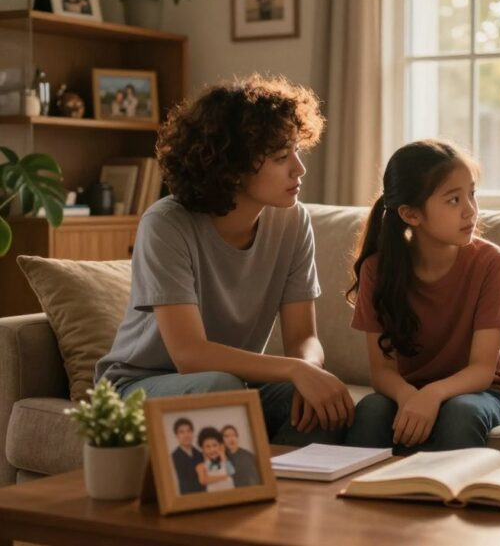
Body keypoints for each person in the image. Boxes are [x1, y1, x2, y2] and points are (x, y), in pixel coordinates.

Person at [94, 74, 355, 448]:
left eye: (297, 151)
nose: (300, 169)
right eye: (282, 157)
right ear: (231, 167)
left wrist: (309, 371)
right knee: (220, 387)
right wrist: (293, 369)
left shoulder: (293, 221)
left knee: (328, 405)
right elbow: (190, 356)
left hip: (237, 385)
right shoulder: (166, 224)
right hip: (138, 387)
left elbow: (304, 337)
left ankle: (283, 493)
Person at [344, 139, 500, 454]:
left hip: (482, 393)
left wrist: (432, 395)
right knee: (371, 412)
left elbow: (482, 369)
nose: (471, 210)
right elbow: (382, 372)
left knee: (460, 413)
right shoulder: (377, 269)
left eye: (472, 194)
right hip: (410, 391)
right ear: (411, 214)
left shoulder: (490, 262)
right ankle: (356, 500)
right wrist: (409, 397)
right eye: (453, 200)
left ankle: (453, 502)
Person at [170, 418, 204, 494]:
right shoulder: (173, 458)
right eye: (182, 432)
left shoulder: (201, 455)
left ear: (192, 433)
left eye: (189, 431)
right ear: (176, 435)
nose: (186, 435)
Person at [196, 427, 235, 492]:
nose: (212, 449)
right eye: (207, 446)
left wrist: (223, 456)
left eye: (215, 445)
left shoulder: (225, 462)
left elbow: (231, 472)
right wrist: (223, 477)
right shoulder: (201, 466)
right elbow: (203, 480)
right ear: (202, 449)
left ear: (220, 445)